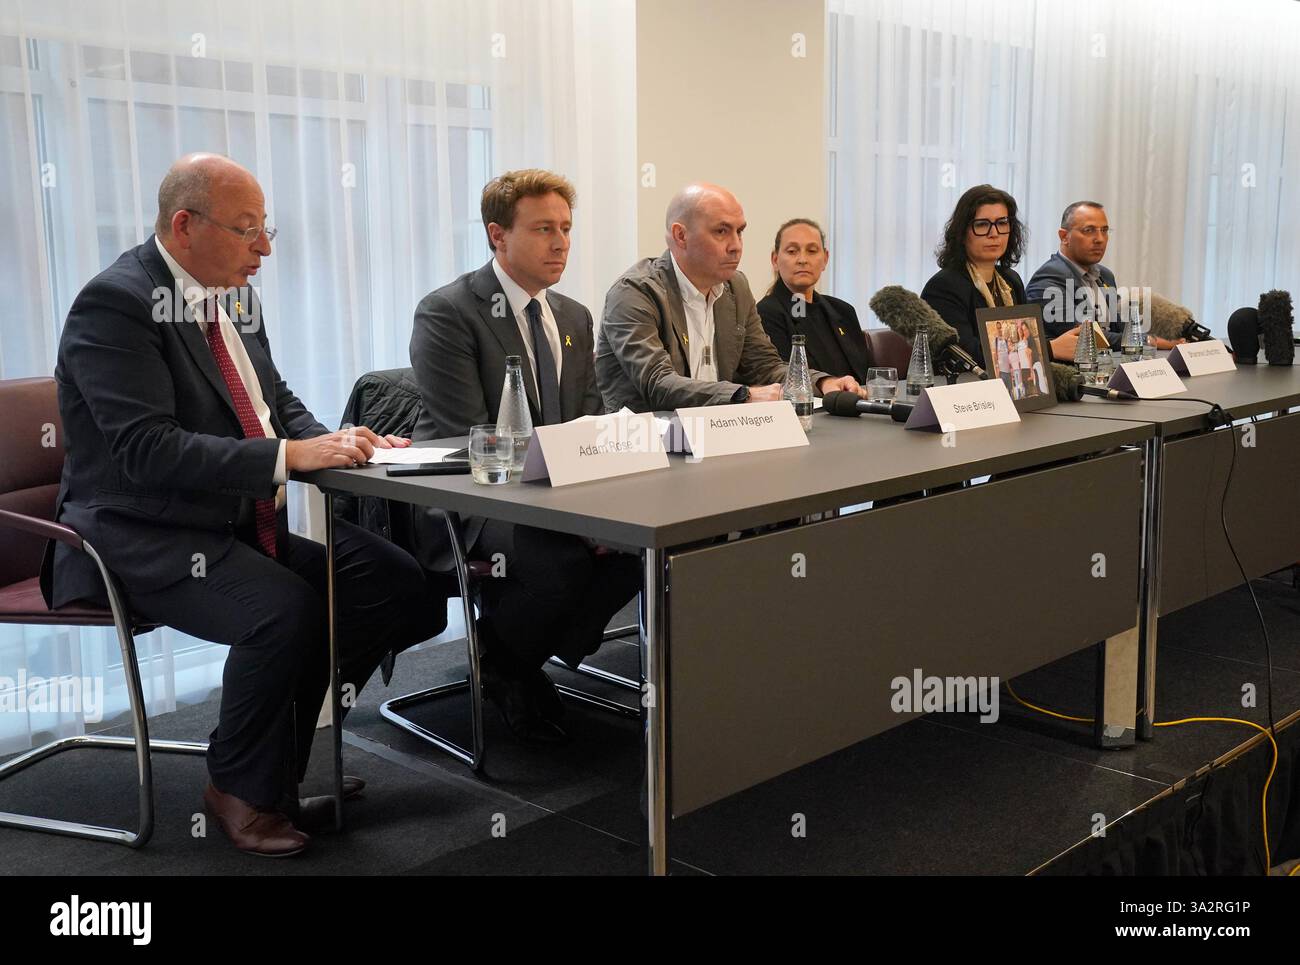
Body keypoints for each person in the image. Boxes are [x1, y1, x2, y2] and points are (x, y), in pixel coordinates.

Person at [47, 153, 438, 857]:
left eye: (268, 229)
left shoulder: (231, 291)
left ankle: (273, 771)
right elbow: (146, 450)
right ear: (184, 225)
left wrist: (342, 442)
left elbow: (271, 400)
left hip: (231, 518)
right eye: (247, 229)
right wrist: (289, 458)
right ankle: (239, 783)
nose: (264, 248)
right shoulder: (117, 304)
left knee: (395, 583)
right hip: (140, 532)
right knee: (286, 609)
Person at [409, 169, 640, 745]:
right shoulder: (448, 312)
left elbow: (583, 421)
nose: (561, 242)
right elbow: (474, 436)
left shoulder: (573, 317)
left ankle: (513, 656)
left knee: (637, 546)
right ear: (497, 235)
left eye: (566, 228)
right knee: (556, 558)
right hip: (468, 496)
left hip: (551, 489)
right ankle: (512, 663)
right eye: (542, 229)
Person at [595, 183, 865, 413]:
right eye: (721, 231)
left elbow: (764, 366)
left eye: (740, 231)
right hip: (648, 445)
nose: (736, 245)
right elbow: (658, 384)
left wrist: (821, 383)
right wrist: (745, 395)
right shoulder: (635, 292)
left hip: (719, 437)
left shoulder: (735, 287)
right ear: (681, 236)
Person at [921, 184, 1078, 368]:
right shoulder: (944, 287)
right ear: (962, 233)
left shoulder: (1011, 280)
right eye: (982, 225)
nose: (994, 234)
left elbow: (1028, 338)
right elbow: (967, 357)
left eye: (1002, 223)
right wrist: (1049, 349)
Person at [1025, 200, 1184, 352]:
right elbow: (1084, 336)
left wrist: (1163, 336)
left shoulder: (1105, 275)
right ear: (1064, 236)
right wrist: (1150, 341)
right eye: (1089, 230)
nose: (1100, 239)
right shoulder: (1048, 278)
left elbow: (1121, 329)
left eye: (1104, 231)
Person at [756, 218, 873, 382]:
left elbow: (867, 375)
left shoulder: (843, 310)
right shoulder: (766, 313)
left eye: (811, 251)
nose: (802, 259)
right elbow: (782, 378)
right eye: (792, 251)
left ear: (825, 259)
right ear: (775, 260)